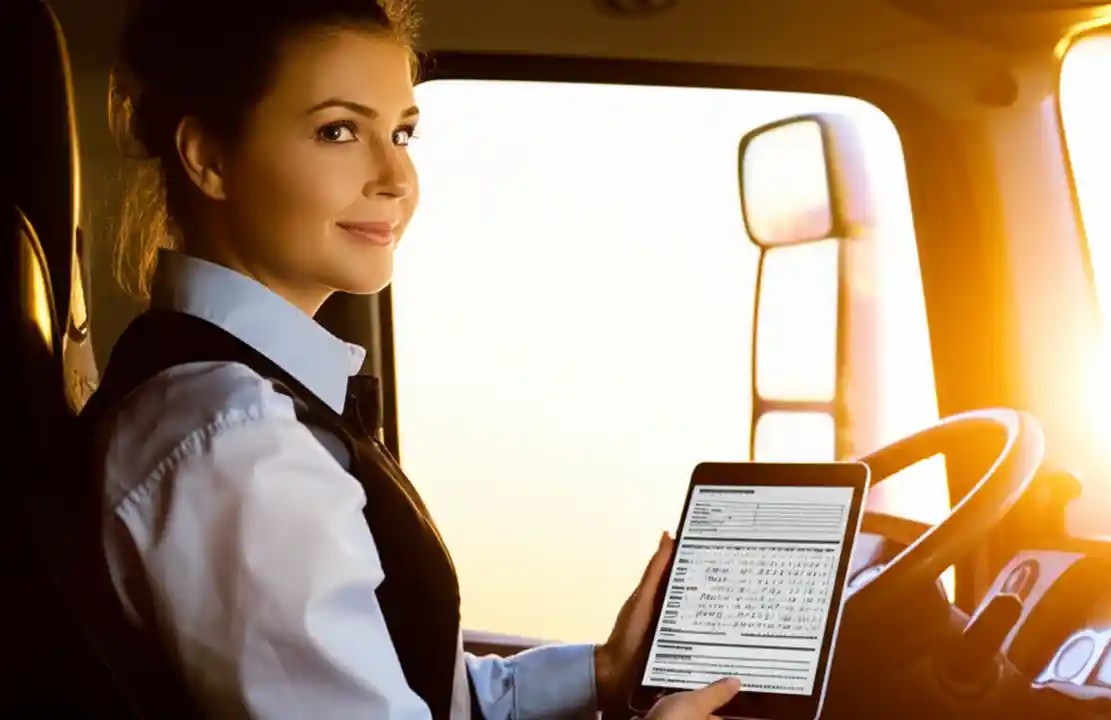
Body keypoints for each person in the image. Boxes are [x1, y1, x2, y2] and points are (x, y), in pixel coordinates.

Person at [93, 0, 740, 717]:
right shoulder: (238, 445)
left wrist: (603, 670)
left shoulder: (246, 406)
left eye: (402, 132)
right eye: (338, 131)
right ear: (209, 158)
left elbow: (409, 691)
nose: (396, 177)